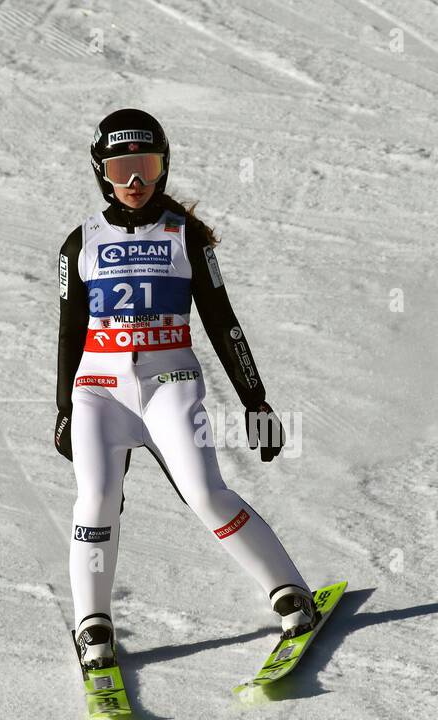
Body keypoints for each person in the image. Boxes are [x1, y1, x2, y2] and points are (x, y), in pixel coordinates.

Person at [53, 108, 315, 669]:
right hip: (97, 391)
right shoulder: (80, 242)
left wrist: (255, 400)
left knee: (204, 493)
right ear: (101, 172)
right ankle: (92, 625)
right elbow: (70, 331)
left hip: (170, 385)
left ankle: (290, 592)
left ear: (164, 168)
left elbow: (224, 321)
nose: (135, 183)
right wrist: (61, 410)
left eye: (146, 167)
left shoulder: (185, 235)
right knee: (95, 501)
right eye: (122, 169)